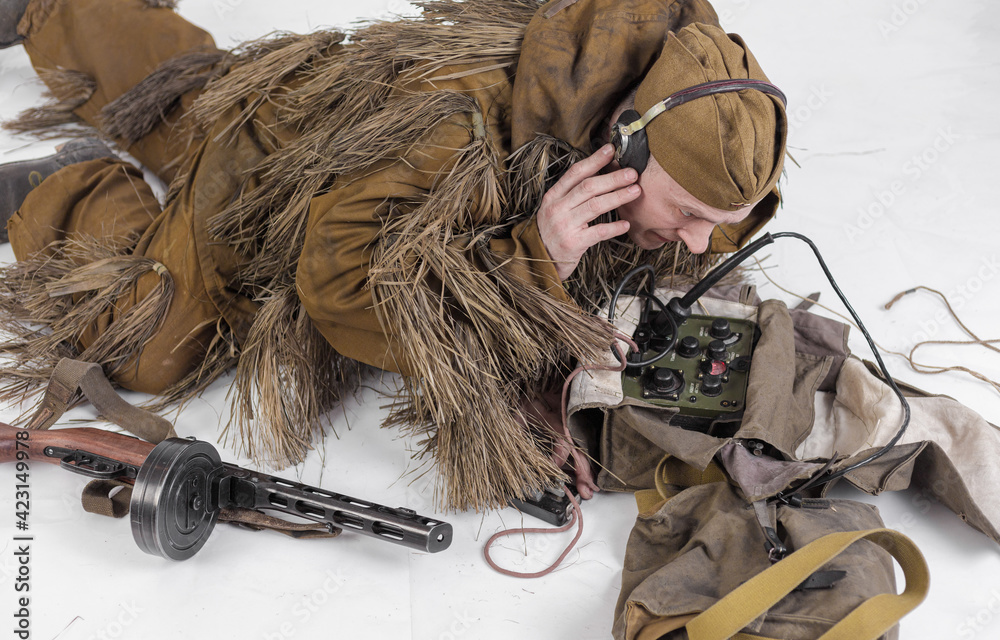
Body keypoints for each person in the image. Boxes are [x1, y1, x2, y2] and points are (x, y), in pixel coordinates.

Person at [0, 0, 786, 510]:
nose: (696, 242)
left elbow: (669, 246)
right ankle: (68, 182)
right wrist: (531, 261)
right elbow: (335, 285)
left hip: (306, 116)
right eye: (686, 213)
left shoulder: (677, 123)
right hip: (262, 184)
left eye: (720, 222)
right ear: (626, 143)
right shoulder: (457, 130)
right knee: (149, 346)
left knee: (196, 96)